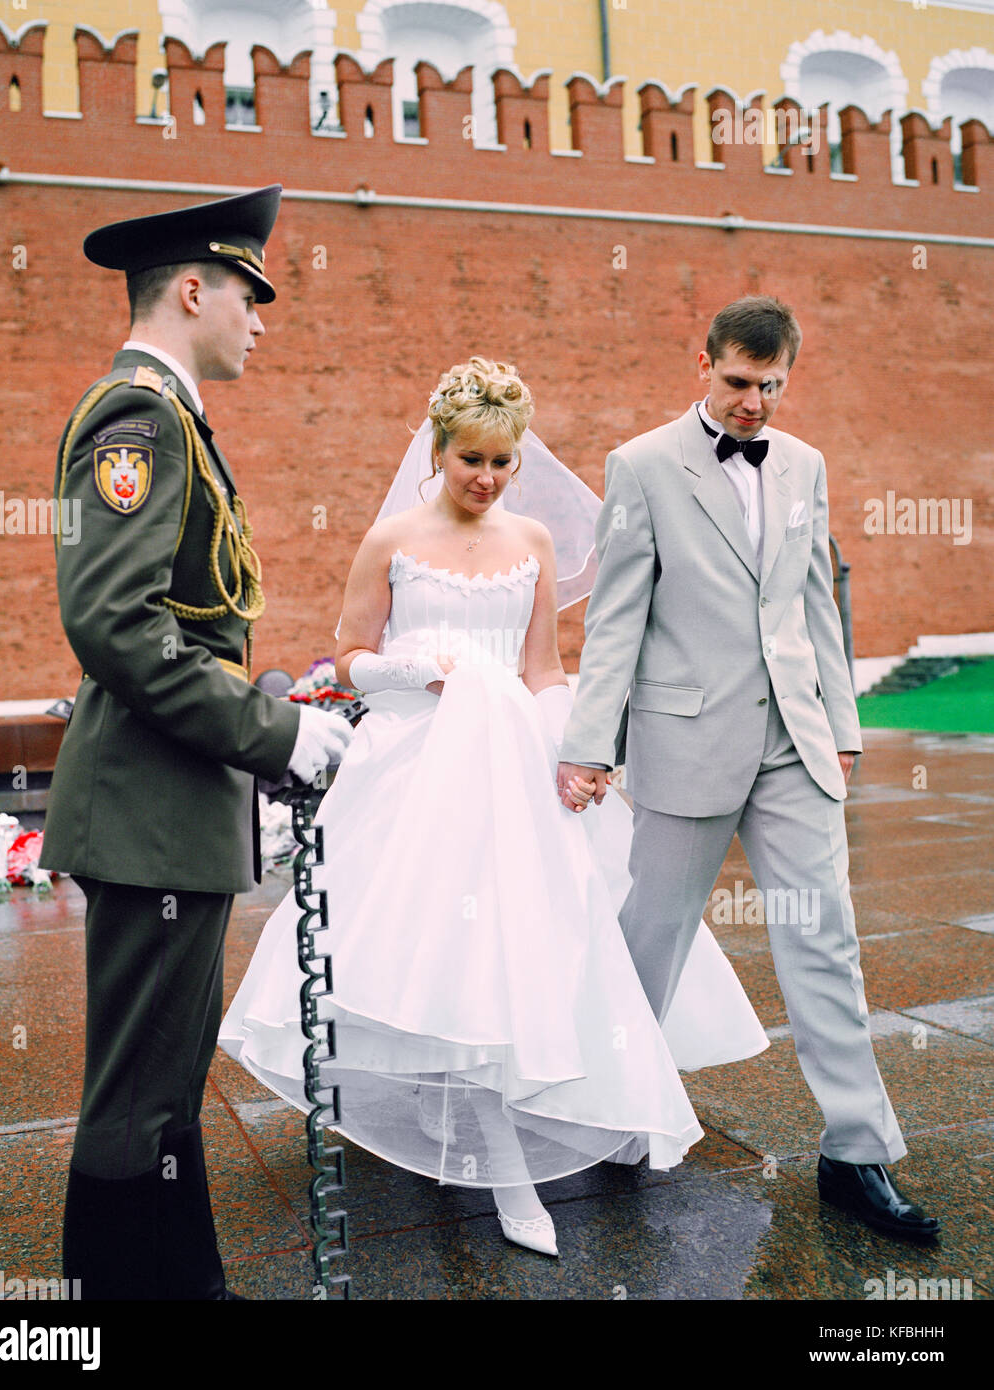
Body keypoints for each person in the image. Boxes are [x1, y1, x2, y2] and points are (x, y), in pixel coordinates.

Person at [219, 357, 769, 1259]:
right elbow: (350, 654)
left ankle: (596, 1099)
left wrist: (573, 751)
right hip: (414, 761)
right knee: (437, 944)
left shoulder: (534, 543)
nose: (485, 477)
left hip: (513, 753)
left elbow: (544, 665)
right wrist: (411, 671)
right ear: (436, 449)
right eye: (471, 458)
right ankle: (495, 1159)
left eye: (502, 462)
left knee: (547, 934)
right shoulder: (389, 537)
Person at [556, 296, 940, 1242]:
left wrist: (839, 726)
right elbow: (615, 620)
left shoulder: (804, 464)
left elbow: (815, 606)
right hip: (684, 742)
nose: (753, 404)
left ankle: (857, 1153)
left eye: (770, 386)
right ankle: (614, 1116)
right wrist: (588, 745)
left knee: (826, 947)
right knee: (653, 939)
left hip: (793, 748)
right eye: (737, 382)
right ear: (703, 364)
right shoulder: (642, 466)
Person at [39, 184, 353, 1299]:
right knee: (138, 1095)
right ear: (190, 290)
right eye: (248, 292)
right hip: (149, 809)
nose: (260, 318)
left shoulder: (165, 415)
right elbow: (115, 620)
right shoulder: (139, 418)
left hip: (167, 807)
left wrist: (266, 690)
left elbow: (185, 620)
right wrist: (280, 734)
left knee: (167, 1088)